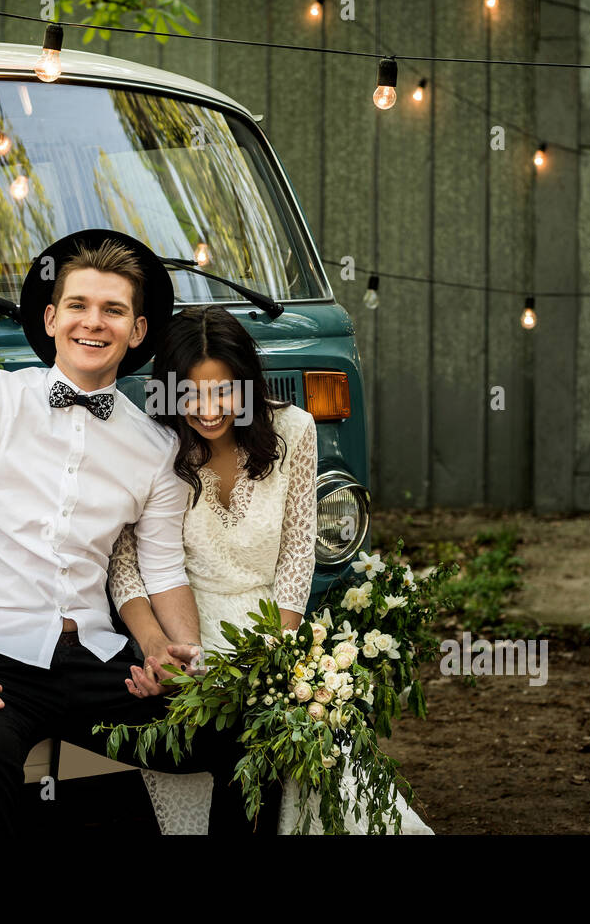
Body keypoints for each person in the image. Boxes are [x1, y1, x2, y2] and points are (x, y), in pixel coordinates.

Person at [0, 229, 277, 834]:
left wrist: (176, 656)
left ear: (137, 331)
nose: (93, 324)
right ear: (51, 317)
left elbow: (164, 567)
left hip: (97, 659)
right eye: (78, 306)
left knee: (246, 735)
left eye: (113, 310)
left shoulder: (154, 446)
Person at [108, 304, 434, 834]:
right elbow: (125, 563)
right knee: (219, 764)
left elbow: (297, 553)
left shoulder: (294, 429)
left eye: (224, 392)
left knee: (306, 758)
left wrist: (278, 655)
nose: (209, 410)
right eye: (191, 394)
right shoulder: (153, 443)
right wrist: (159, 646)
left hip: (270, 627)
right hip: (186, 625)